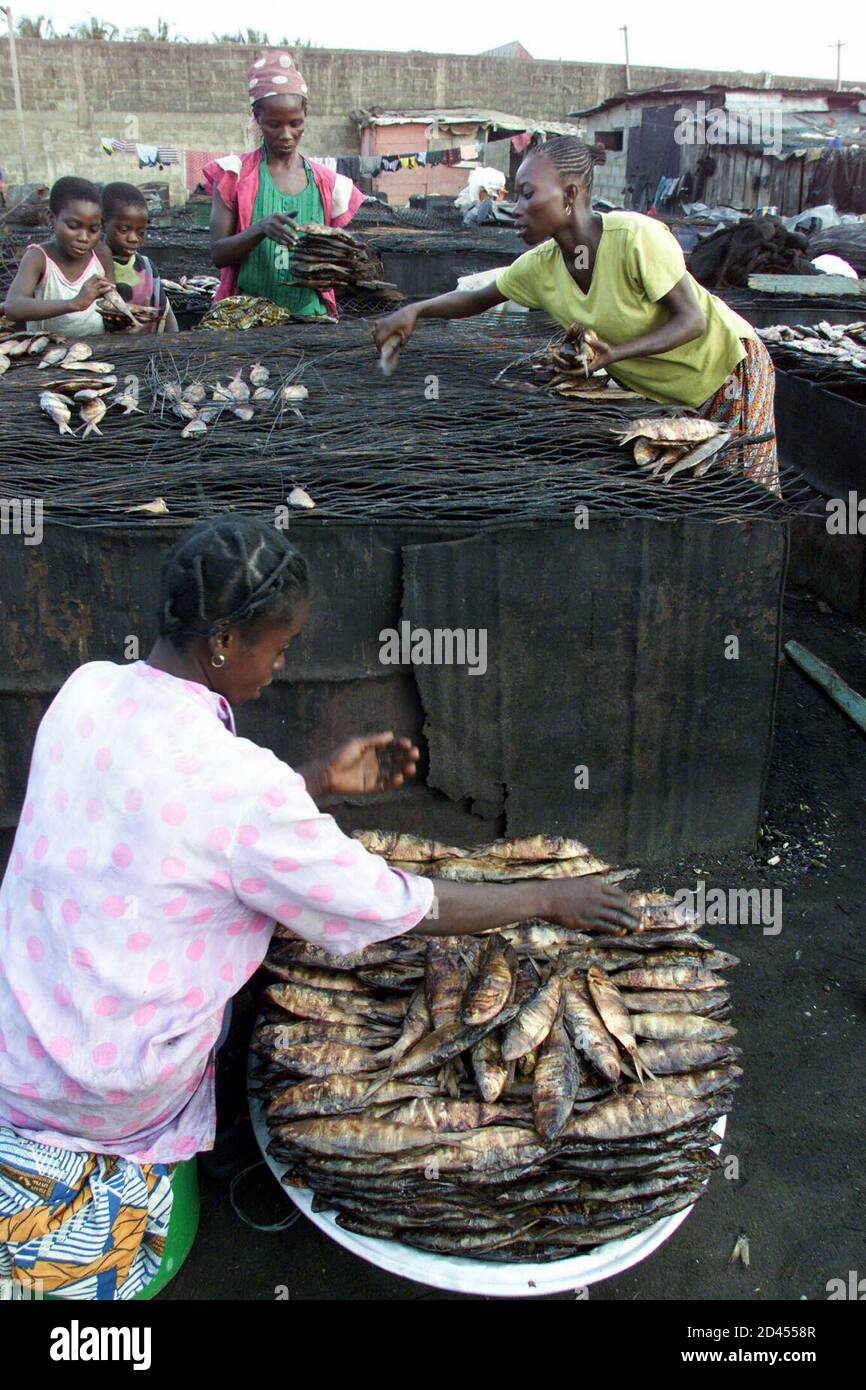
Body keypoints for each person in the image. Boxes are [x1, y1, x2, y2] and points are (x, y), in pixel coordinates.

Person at [0, 515, 636, 1299]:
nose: (284, 662)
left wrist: (313, 782)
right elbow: (390, 904)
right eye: (280, 643)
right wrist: (549, 895)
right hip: (106, 1085)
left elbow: (177, 818)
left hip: (16, 1037)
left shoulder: (86, 689)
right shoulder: (241, 790)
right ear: (225, 642)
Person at [374, 137, 779, 494]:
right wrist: (415, 310)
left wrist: (612, 356)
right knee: (692, 490)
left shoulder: (636, 238)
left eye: (528, 195)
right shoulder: (540, 266)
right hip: (671, 391)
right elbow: (478, 299)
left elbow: (693, 321)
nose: (516, 209)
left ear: (569, 196)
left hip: (728, 369)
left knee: (738, 494)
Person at [205, 50, 364, 320]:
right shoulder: (235, 175)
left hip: (310, 317)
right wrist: (260, 229)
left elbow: (335, 259)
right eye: (274, 124)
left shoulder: (327, 183)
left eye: (295, 123)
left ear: (305, 116)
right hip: (248, 319)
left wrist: (338, 271)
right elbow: (218, 254)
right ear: (257, 117)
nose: (286, 135)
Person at [3, 176, 114, 336]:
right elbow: (13, 307)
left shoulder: (101, 254)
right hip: (47, 353)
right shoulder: (38, 258)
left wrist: (119, 317)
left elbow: (110, 302)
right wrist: (74, 303)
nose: (84, 237)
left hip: (96, 352)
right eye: (73, 226)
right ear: (51, 218)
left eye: (94, 229)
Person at [102, 182, 179, 334]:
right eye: (124, 229)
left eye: (141, 232)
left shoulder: (145, 266)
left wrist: (174, 344)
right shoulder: (92, 266)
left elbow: (165, 314)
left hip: (146, 351)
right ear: (103, 224)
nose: (133, 238)